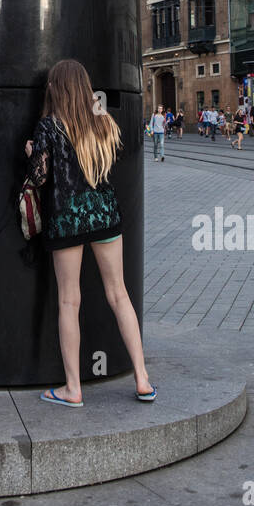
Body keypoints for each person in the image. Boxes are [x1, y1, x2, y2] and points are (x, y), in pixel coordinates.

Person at [24, 58, 155, 406]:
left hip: (67, 218)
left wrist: (31, 153)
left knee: (69, 299)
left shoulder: (48, 127)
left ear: (55, 88)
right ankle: (142, 378)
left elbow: (38, 178)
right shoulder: (102, 122)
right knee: (119, 294)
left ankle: (72, 388)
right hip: (104, 215)